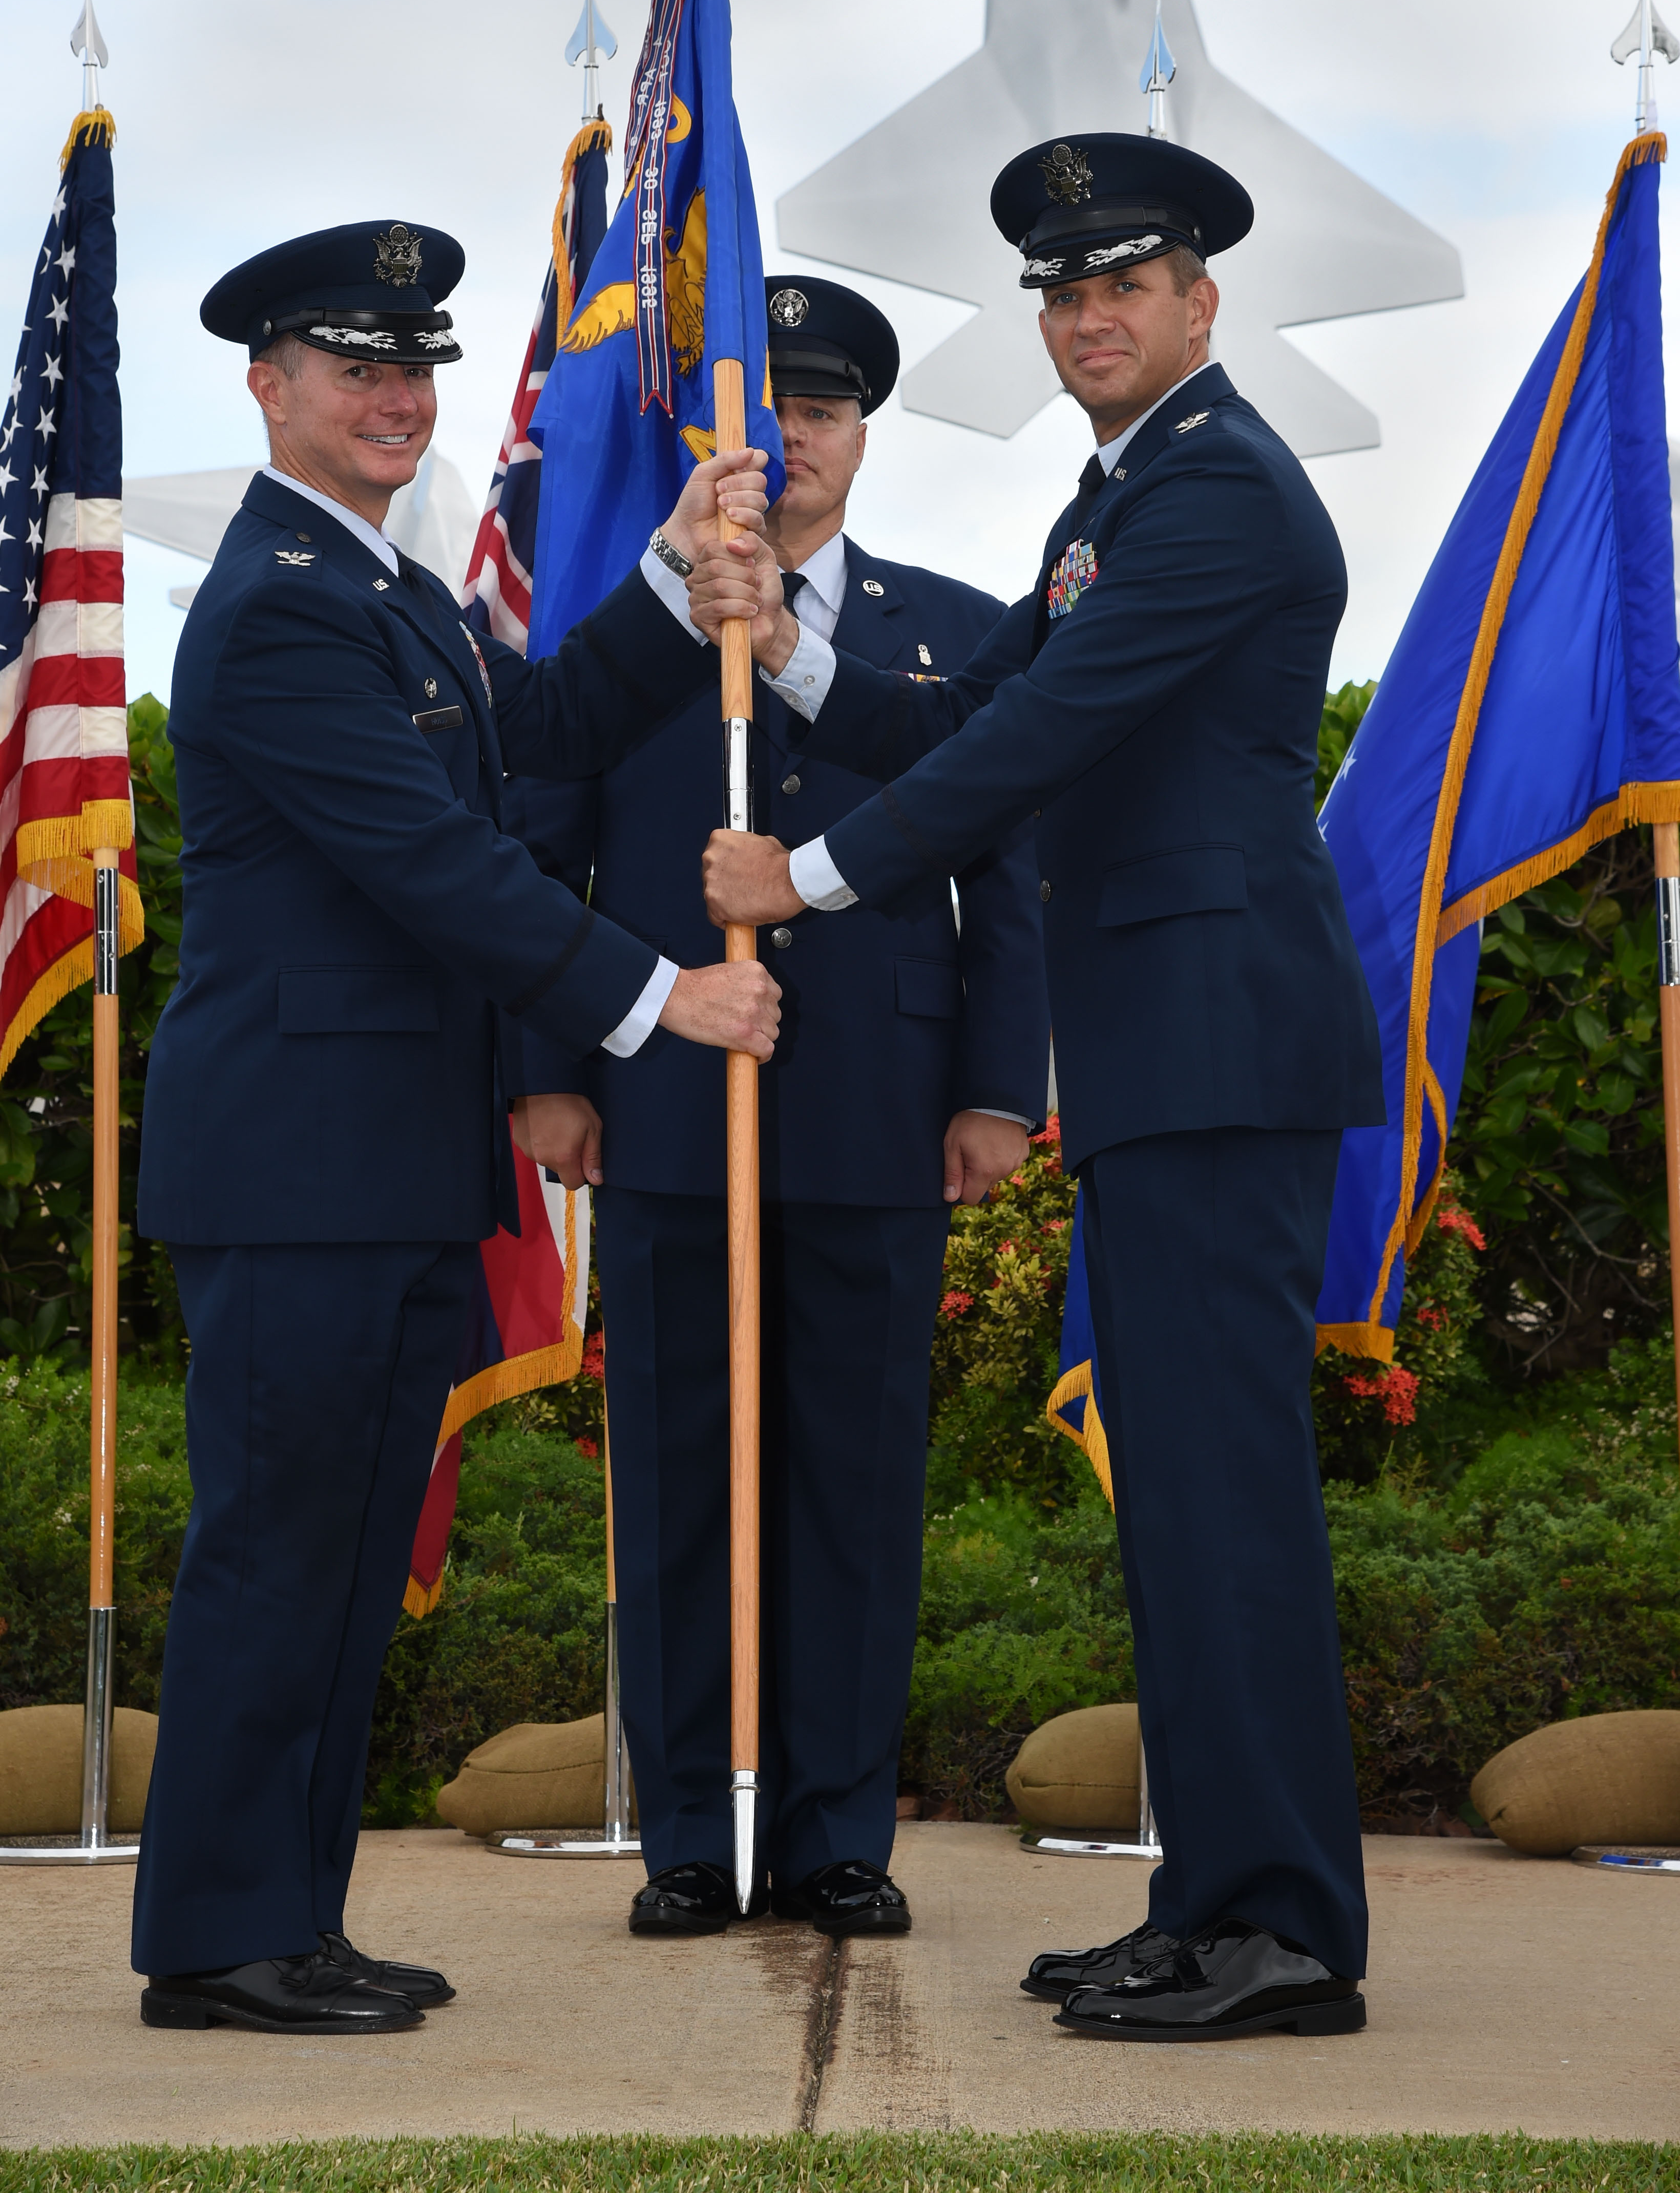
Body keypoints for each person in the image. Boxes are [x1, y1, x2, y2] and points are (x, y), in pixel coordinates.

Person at [692, 138, 1387, 2043]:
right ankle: (1218, 1900)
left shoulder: (1222, 492)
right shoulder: (1118, 501)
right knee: (1179, 1495)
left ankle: (1283, 1934)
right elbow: (966, 705)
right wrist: (778, 623)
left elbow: (1049, 738)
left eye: (1124, 284)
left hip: (1222, 1043)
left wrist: (809, 877)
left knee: (1224, 1494)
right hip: (1173, 1049)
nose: (1089, 316)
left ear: (1199, 301)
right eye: (1062, 294)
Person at [130, 220, 779, 2037]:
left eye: (415, 368)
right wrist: (662, 1000)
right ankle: (215, 1941)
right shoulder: (273, 606)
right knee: (278, 1554)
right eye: (355, 368)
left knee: (340, 1565)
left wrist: (672, 579)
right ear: (269, 388)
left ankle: (289, 1920)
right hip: (298, 1164)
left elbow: (536, 730)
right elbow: (435, 865)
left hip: (387, 1159)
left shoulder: (389, 591)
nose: (396, 398)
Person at [506, 277, 1051, 1939]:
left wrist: (995, 1094)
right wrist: (545, 1070)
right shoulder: (637, 626)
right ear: (713, 449)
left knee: (856, 1481)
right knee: (678, 1472)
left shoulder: (946, 628)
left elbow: (1006, 878)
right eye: (763, 418)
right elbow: (543, 847)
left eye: (819, 412)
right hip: (667, 1092)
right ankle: (691, 1834)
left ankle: (828, 1837)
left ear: (862, 437)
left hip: (886, 1101)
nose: (792, 442)